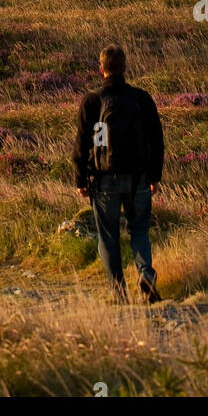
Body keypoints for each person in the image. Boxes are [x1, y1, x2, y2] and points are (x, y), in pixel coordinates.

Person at [72, 44, 164, 303]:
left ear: (101, 69)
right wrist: (154, 175)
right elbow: (156, 139)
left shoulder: (92, 100)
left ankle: (118, 291)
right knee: (140, 231)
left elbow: (82, 143)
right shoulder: (142, 98)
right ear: (125, 67)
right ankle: (146, 274)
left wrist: (81, 179)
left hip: (104, 179)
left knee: (108, 236)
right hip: (139, 178)